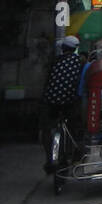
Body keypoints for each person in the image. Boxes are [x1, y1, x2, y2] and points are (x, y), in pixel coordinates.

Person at [42, 36, 84, 170]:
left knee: (47, 129)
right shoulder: (79, 61)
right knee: (75, 127)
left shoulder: (55, 61)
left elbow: (47, 80)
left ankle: (49, 159)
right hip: (70, 101)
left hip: (50, 100)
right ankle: (75, 153)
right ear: (75, 49)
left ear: (63, 48)